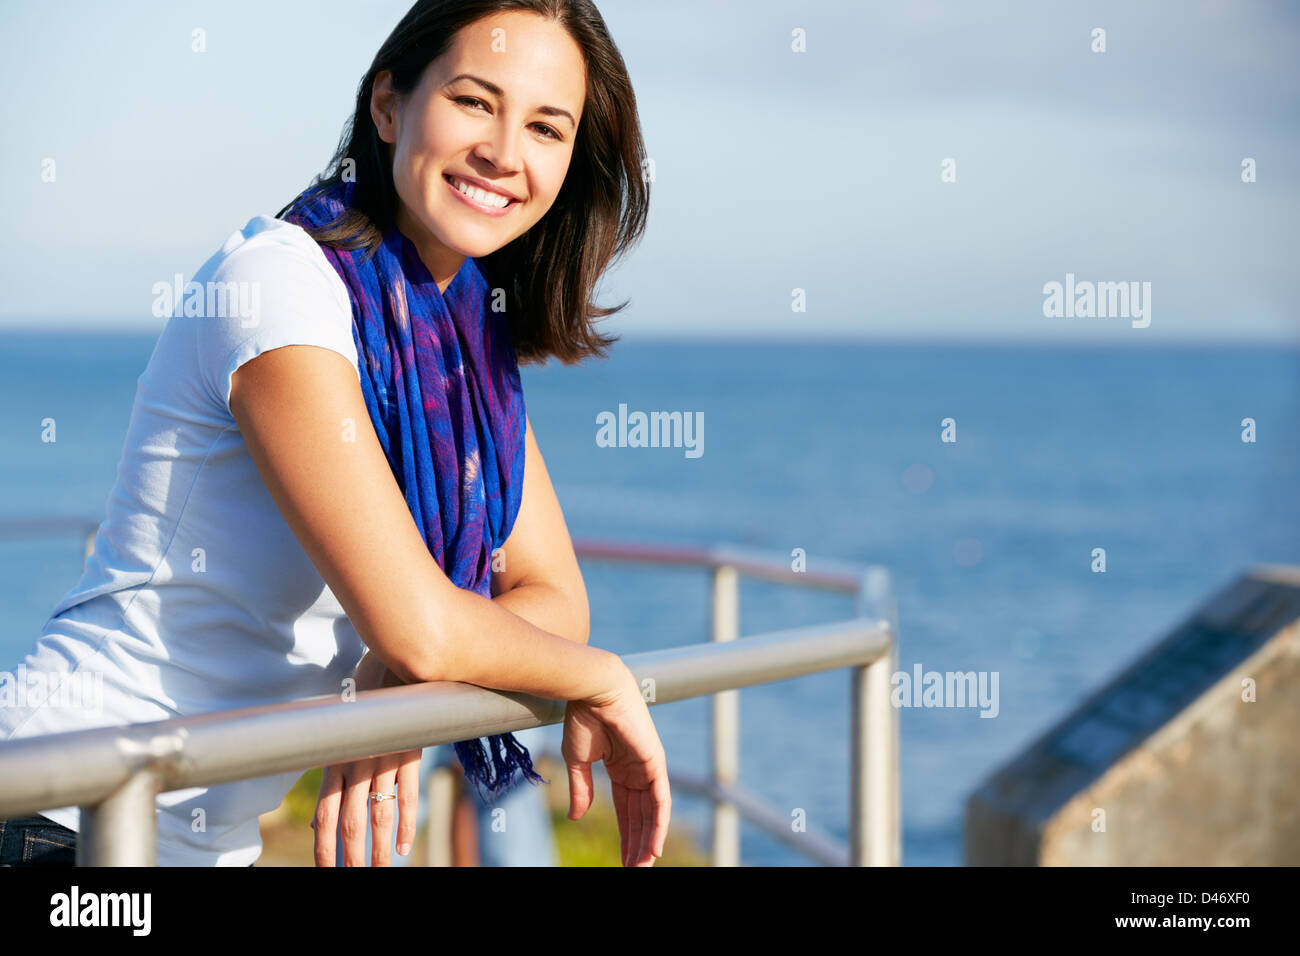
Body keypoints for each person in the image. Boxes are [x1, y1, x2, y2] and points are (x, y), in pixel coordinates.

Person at [0, 0, 669, 868]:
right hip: (67, 813)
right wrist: (598, 676)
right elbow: (424, 623)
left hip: (199, 836)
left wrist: (398, 673)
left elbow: (549, 595)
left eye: (547, 127)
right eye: (474, 101)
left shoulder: (465, 343)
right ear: (388, 106)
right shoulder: (279, 285)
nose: (505, 152)